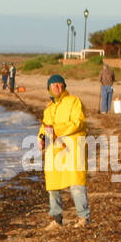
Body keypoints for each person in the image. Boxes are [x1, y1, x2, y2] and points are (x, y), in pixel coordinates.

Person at [39, 74, 89, 228]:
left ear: (64, 86)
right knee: (53, 185)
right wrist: (41, 138)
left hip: (73, 147)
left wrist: (57, 130)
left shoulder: (74, 101)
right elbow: (44, 127)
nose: (57, 87)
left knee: (76, 183)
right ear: (49, 88)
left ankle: (84, 218)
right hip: (54, 150)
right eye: (53, 85)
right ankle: (56, 219)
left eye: (60, 84)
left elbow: (78, 122)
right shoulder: (48, 108)